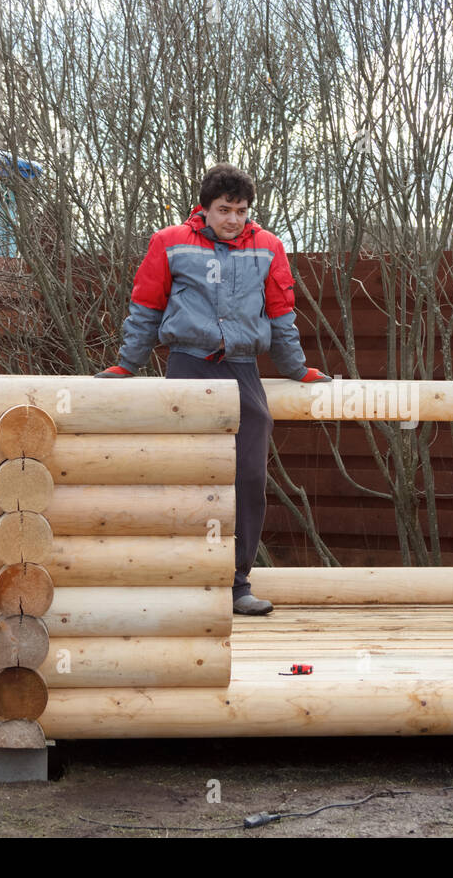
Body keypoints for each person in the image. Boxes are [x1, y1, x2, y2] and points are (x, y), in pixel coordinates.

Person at [95, 164, 331, 616]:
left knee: (248, 476)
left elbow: (281, 314)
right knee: (183, 476)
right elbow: (146, 306)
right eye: (225, 210)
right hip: (187, 367)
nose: (234, 219)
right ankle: (178, 581)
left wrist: (297, 370)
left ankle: (236, 583)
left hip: (242, 370)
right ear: (204, 209)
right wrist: (128, 364)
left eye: (242, 210)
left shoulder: (268, 247)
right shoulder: (171, 243)